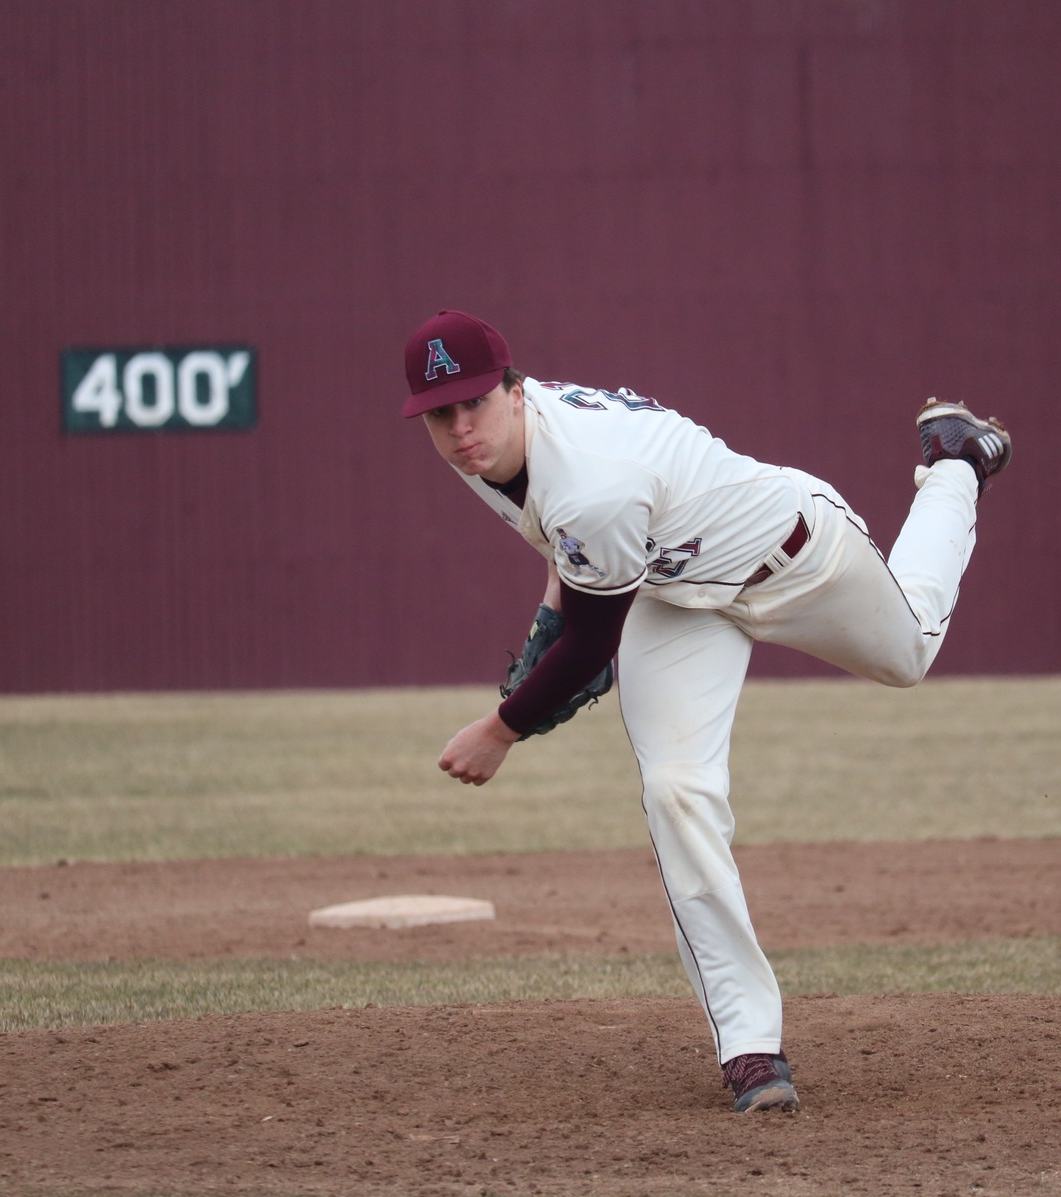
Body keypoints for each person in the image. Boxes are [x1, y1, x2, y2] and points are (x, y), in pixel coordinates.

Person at [401, 310, 1012, 1113]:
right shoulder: (486, 452)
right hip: (674, 597)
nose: (459, 427)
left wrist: (503, 727)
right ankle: (750, 1047)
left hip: (794, 558)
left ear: (517, 391)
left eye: (474, 403)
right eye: (439, 414)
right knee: (677, 791)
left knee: (910, 654)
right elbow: (567, 555)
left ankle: (954, 464)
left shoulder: (594, 475)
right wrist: (543, 634)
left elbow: (587, 654)